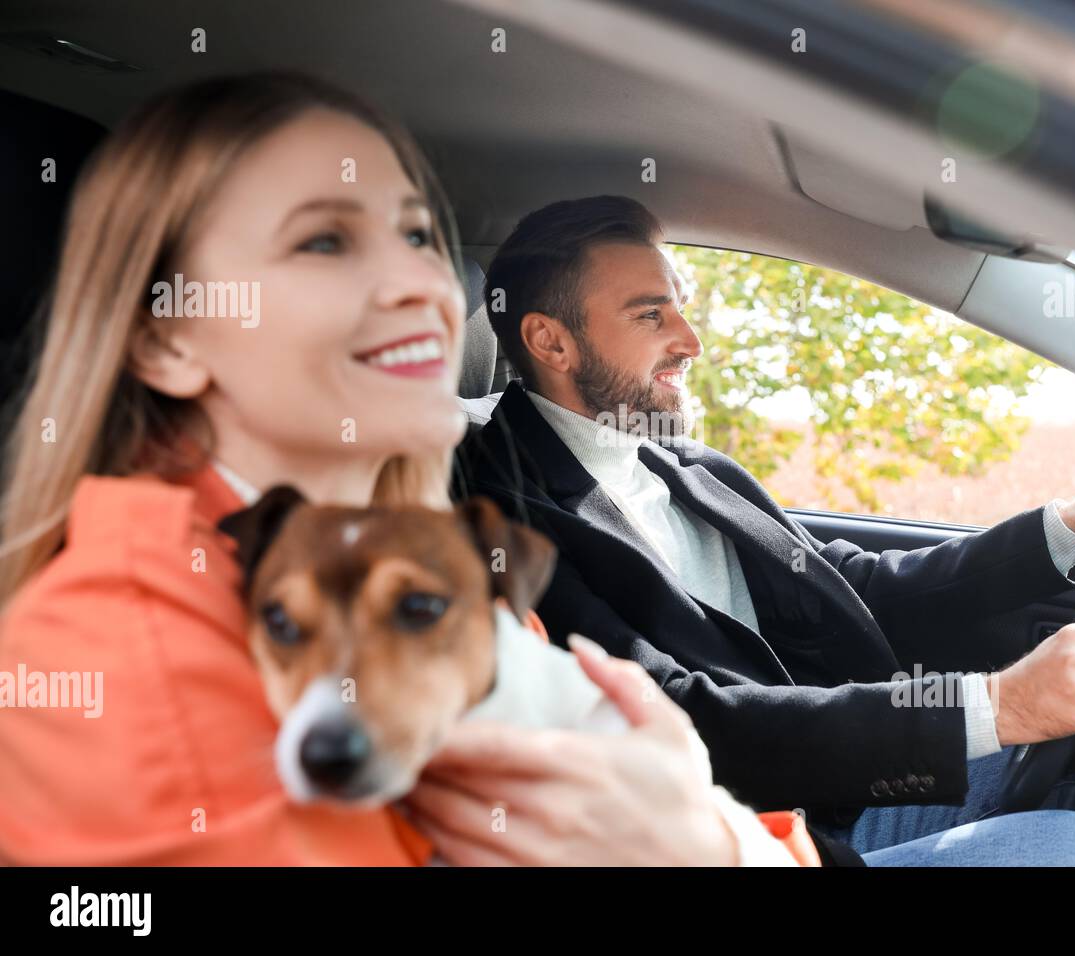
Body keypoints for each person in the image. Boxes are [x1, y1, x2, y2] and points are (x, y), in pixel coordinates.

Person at [0, 72, 817, 866]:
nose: (421, 285)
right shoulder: (117, 661)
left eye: (419, 235)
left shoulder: (428, 561)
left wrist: (716, 841)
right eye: (324, 240)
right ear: (168, 338)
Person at [459, 194, 1075, 865]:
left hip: (839, 793)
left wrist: (1067, 528)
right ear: (551, 343)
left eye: (681, 307)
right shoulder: (506, 520)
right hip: (762, 835)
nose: (691, 340)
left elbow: (852, 585)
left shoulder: (679, 463)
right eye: (651, 316)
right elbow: (678, 721)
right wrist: (1000, 705)